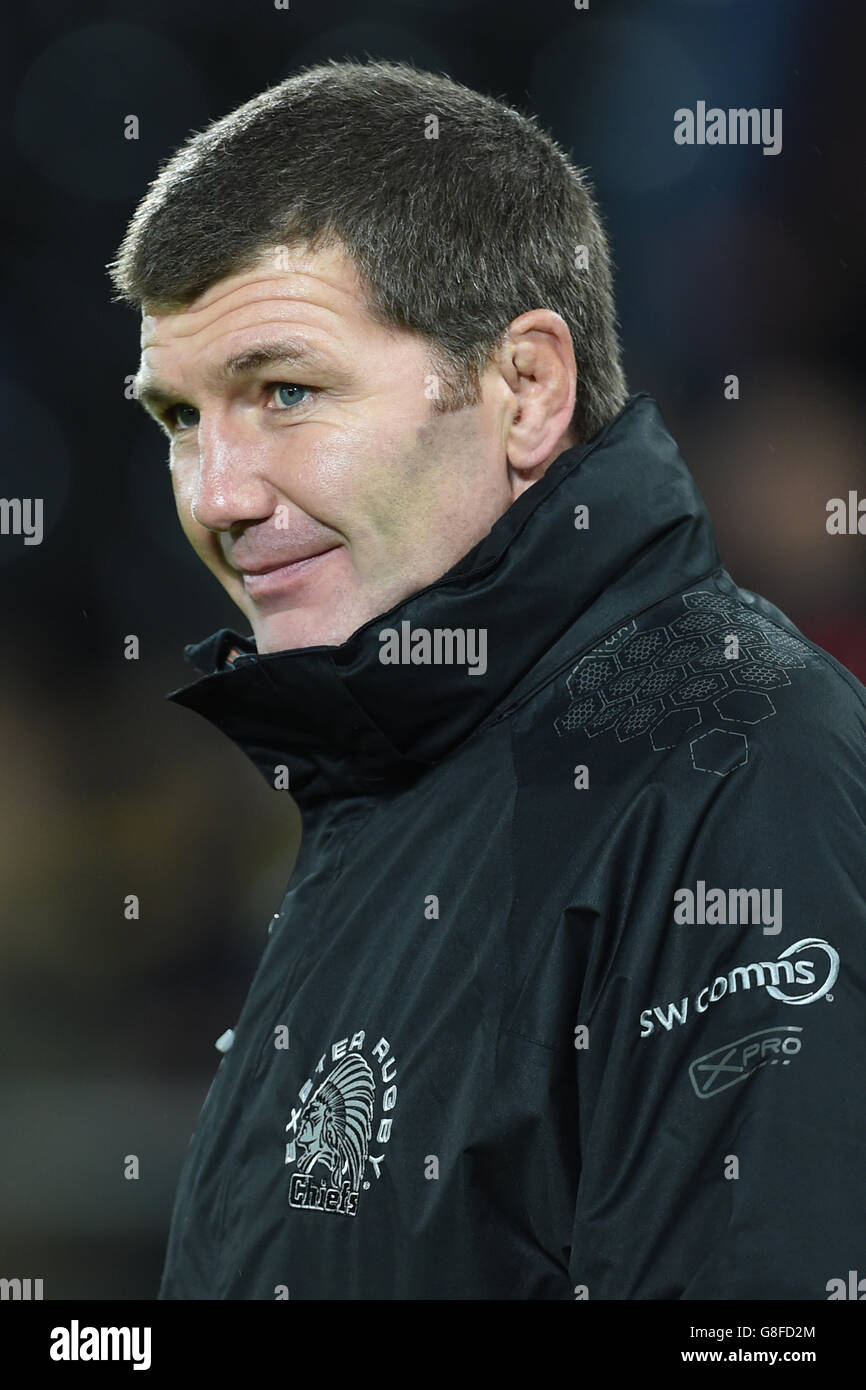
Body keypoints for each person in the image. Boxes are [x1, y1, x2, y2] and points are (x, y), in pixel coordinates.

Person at [109, 59, 866, 1300]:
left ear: (524, 389)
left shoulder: (740, 766)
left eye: (284, 391)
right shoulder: (385, 759)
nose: (217, 495)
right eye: (181, 419)